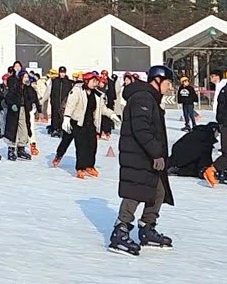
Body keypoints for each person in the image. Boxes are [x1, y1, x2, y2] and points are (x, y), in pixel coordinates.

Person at [108, 65, 176, 256]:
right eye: (168, 83)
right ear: (157, 80)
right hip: (138, 154)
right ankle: (120, 231)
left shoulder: (150, 99)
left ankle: (147, 227)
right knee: (136, 191)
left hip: (147, 153)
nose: (170, 88)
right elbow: (141, 129)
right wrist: (156, 153)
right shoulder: (142, 98)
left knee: (158, 190)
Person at [55, 71, 118, 179]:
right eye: (93, 81)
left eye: (96, 82)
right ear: (87, 81)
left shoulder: (97, 94)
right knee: (79, 145)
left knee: (92, 145)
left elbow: (102, 108)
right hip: (77, 122)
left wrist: (112, 115)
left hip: (90, 123)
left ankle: (89, 165)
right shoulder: (77, 90)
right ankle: (79, 167)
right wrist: (66, 118)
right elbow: (70, 105)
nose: (95, 84)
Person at [48, 66, 71, 137]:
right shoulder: (55, 81)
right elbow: (52, 92)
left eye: (63, 73)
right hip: (56, 101)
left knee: (62, 117)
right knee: (55, 116)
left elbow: (69, 93)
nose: (62, 74)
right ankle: (55, 129)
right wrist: (52, 101)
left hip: (64, 103)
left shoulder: (68, 82)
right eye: (61, 72)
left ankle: (61, 129)